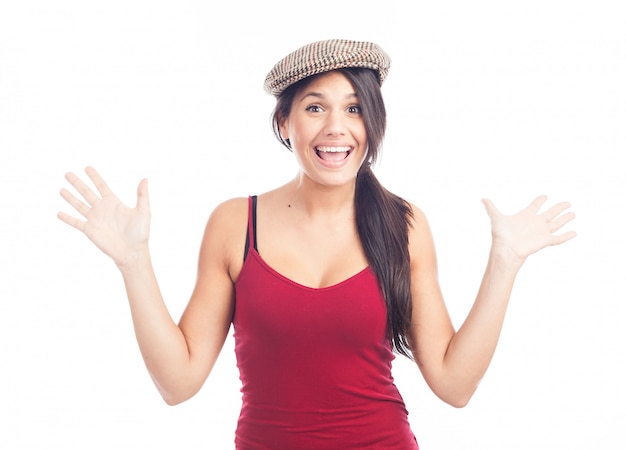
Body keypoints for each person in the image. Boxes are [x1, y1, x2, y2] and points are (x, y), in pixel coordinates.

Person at [57, 39, 576, 449]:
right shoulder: (236, 224)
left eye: (354, 109)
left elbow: (454, 385)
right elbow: (178, 383)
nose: (336, 129)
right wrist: (133, 262)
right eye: (314, 108)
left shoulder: (404, 225)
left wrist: (504, 263)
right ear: (284, 122)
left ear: (372, 123)